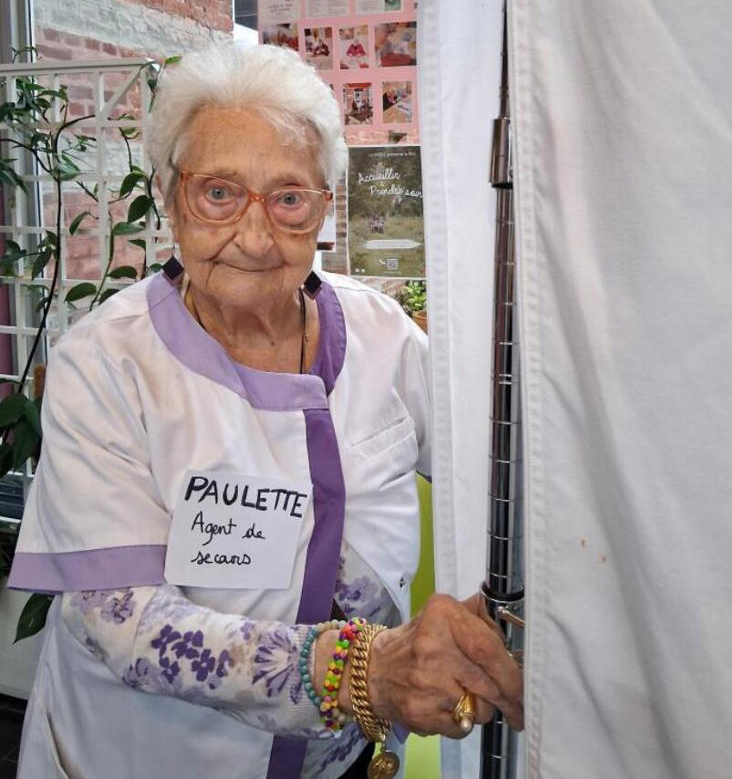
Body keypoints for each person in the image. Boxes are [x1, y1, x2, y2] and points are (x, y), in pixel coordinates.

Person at [8, 42, 522, 779]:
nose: (253, 236)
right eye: (218, 193)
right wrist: (366, 669)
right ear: (166, 193)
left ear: (323, 209)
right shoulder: (108, 361)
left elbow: (501, 473)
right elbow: (123, 621)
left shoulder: (381, 336)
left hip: (344, 761)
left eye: (287, 198)